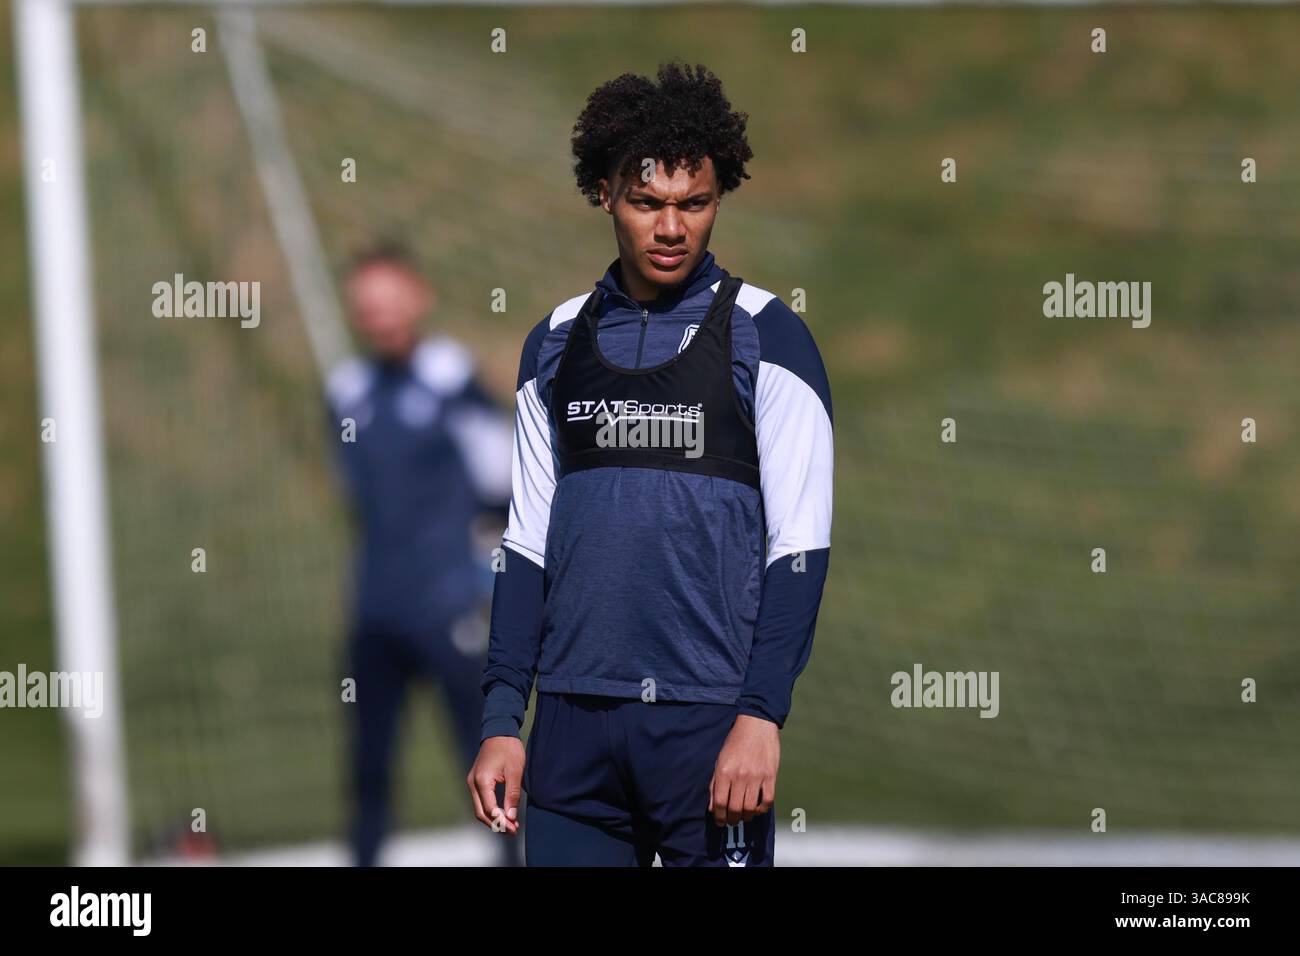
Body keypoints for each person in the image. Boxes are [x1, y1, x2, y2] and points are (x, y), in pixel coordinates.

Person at [468, 62, 833, 866]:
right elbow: (526, 546)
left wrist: (761, 716)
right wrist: (502, 721)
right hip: (571, 731)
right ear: (605, 194)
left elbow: (799, 550)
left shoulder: (769, 338)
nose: (671, 228)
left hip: (709, 735)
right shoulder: (553, 345)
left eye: (694, 204)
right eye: (647, 203)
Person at [326, 242, 519, 866]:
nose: (381, 314)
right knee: (368, 772)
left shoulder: (453, 381)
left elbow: (506, 484)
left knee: (487, 762)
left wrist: (486, 576)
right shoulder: (346, 392)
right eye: (367, 304)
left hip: (450, 610)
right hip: (376, 609)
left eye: (390, 299)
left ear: (418, 297)